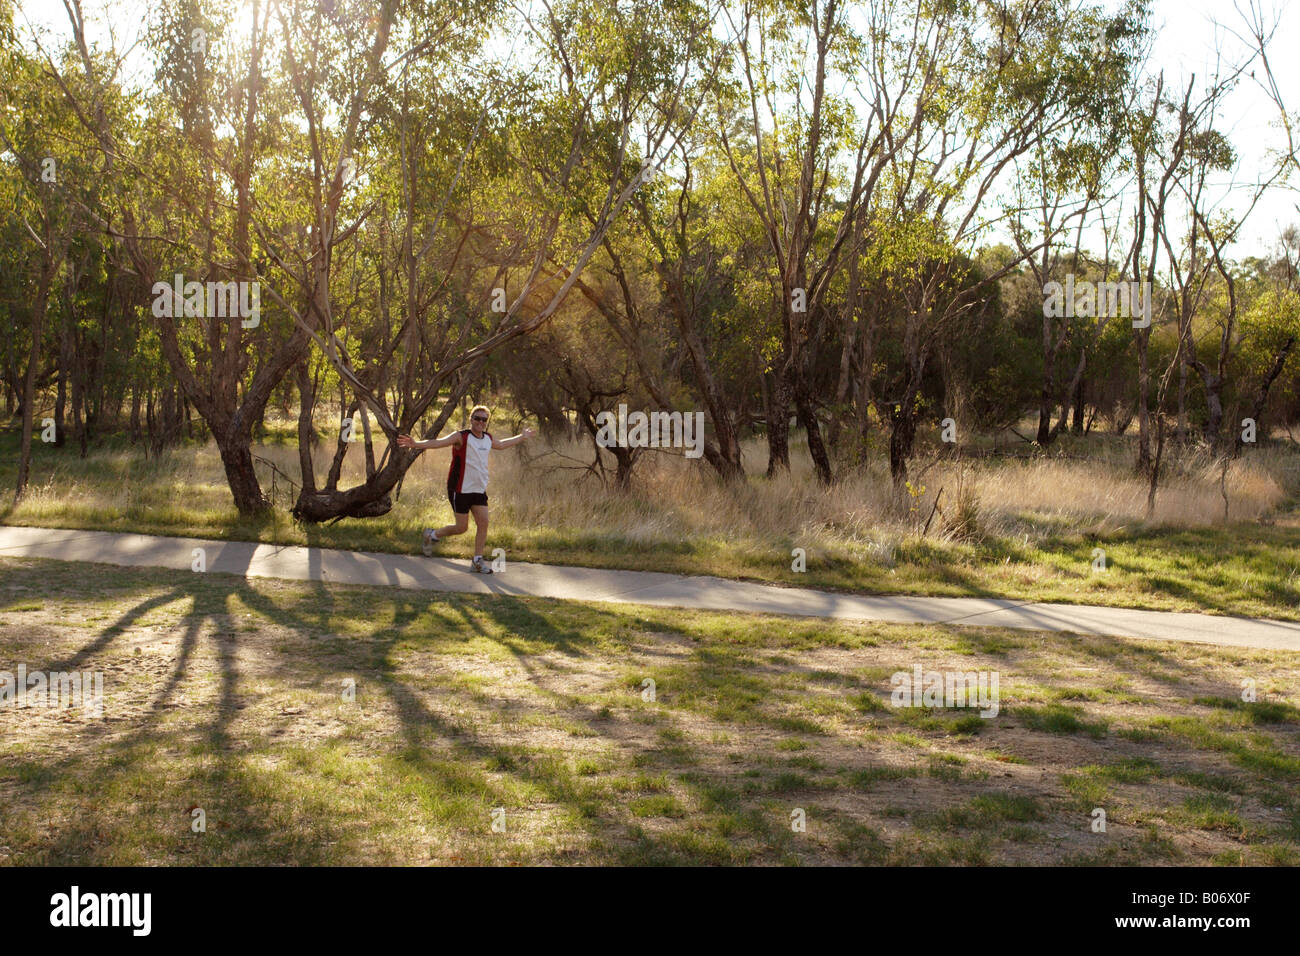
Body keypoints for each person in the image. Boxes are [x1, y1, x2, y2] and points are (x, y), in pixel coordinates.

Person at [395, 405, 534, 573]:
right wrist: (416, 444)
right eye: (477, 418)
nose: (480, 422)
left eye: (484, 419)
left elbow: (503, 444)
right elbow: (438, 443)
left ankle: (477, 560)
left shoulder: (488, 438)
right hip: (460, 489)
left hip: (478, 489)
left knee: (484, 523)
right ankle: (431, 535)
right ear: (471, 419)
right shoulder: (461, 437)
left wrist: (522, 436)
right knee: (462, 528)